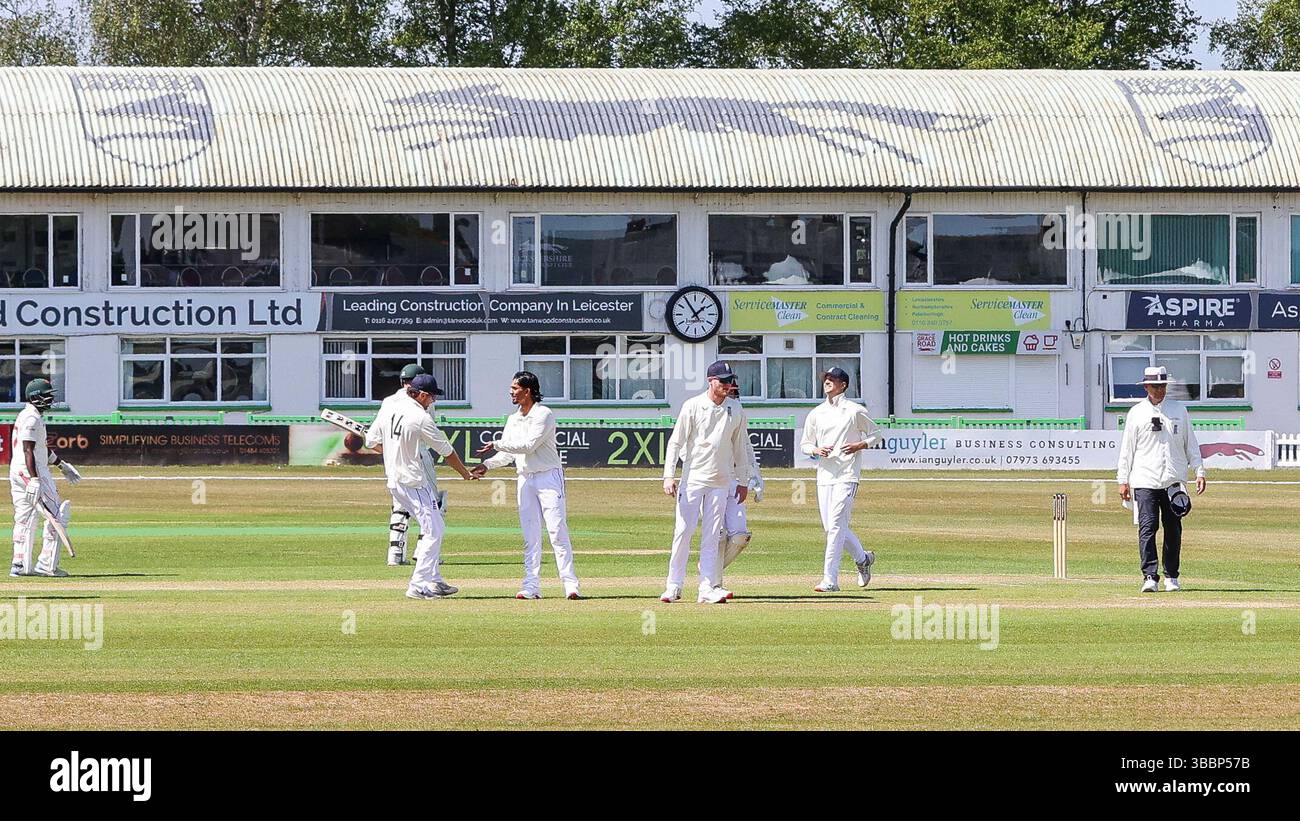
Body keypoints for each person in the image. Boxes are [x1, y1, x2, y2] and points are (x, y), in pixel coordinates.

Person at [472, 371, 582, 600]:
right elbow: (507, 454)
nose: (511, 392)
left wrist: (495, 443)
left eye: (515, 388)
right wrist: (487, 465)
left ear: (528, 390)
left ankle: (570, 585)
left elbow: (528, 445)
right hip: (525, 479)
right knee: (530, 535)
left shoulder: (544, 414)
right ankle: (531, 586)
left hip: (548, 477)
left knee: (557, 531)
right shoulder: (513, 419)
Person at [365, 374, 476, 600]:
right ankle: (418, 585)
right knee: (435, 529)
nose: (433, 401)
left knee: (431, 527)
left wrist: (394, 451)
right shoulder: (420, 417)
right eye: (432, 396)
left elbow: (371, 442)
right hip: (414, 482)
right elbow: (447, 451)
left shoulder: (389, 406)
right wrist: (465, 473)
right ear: (423, 395)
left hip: (395, 481)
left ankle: (434, 581)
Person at [661, 361, 752, 605]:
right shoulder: (692, 406)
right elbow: (675, 443)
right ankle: (674, 585)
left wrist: (743, 482)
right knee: (683, 531)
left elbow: (740, 448)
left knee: (712, 535)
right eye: (721, 381)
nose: (726, 385)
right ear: (710, 381)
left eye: (729, 380)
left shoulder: (736, 409)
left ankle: (706, 587)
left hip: (721, 482)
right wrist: (669, 475)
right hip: (693, 480)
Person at [1116, 366, 1206, 593]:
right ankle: (1149, 576)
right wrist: (1122, 479)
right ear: (1146, 387)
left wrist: (1199, 470)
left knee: (1173, 528)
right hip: (1145, 478)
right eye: (1155, 386)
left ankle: (1171, 576)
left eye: (1163, 386)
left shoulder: (1179, 409)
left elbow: (1190, 443)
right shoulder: (1136, 413)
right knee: (1148, 527)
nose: (1160, 390)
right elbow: (1127, 449)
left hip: (1173, 479)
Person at [799, 367, 881, 592]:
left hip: (847, 474)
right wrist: (816, 449)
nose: (827, 381)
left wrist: (859, 445)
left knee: (836, 525)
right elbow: (805, 443)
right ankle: (863, 559)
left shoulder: (855, 411)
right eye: (826, 378)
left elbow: (877, 435)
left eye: (832, 379)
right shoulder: (816, 413)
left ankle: (830, 580)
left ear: (843, 385)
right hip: (824, 475)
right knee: (832, 527)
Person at [9, 378, 80, 577]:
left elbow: (40, 448)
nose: (51, 399)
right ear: (35, 397)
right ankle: (47, 564)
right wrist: (35, 479)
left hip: (18, 472)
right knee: (57, 514)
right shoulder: (31, 418)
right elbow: (28, 450)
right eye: (47, 395)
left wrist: (61, 465)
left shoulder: (28, 415)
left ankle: (20, 564)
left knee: (25, 516)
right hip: (31, 472)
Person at [379, 363, 430, 566]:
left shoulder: (388, 401)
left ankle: (395, 554)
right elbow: (427, 433)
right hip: (418, 458)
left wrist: (391, 450)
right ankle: (424, 552)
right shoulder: (422, 401)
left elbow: (374, 439)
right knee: (433, 506)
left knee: (400, 506)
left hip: (393, 461)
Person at [717, 380, 763, 593]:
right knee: (718, 532)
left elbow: (745, 446)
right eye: (729, 391)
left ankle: (708, 571)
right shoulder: (706, 409)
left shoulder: (738, 412)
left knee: (740, 535)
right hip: (713, 479)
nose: (732, 395)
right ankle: (714, 582)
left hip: (736, 479)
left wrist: (755, 476)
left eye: (735, 392)